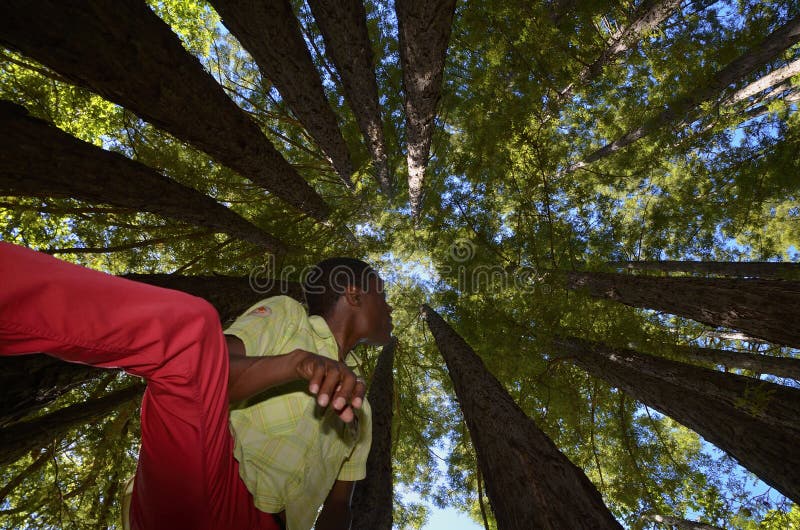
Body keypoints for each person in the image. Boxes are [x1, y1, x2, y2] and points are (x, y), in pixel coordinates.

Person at [0, 243, 392, 530]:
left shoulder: (364, 411)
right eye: (383, 293)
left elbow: (340, 506)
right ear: (353, 293)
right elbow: (204, 370)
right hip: (210, 482)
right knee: (195, 327)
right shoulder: (290, 316)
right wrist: (292, 364)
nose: (389, 306)